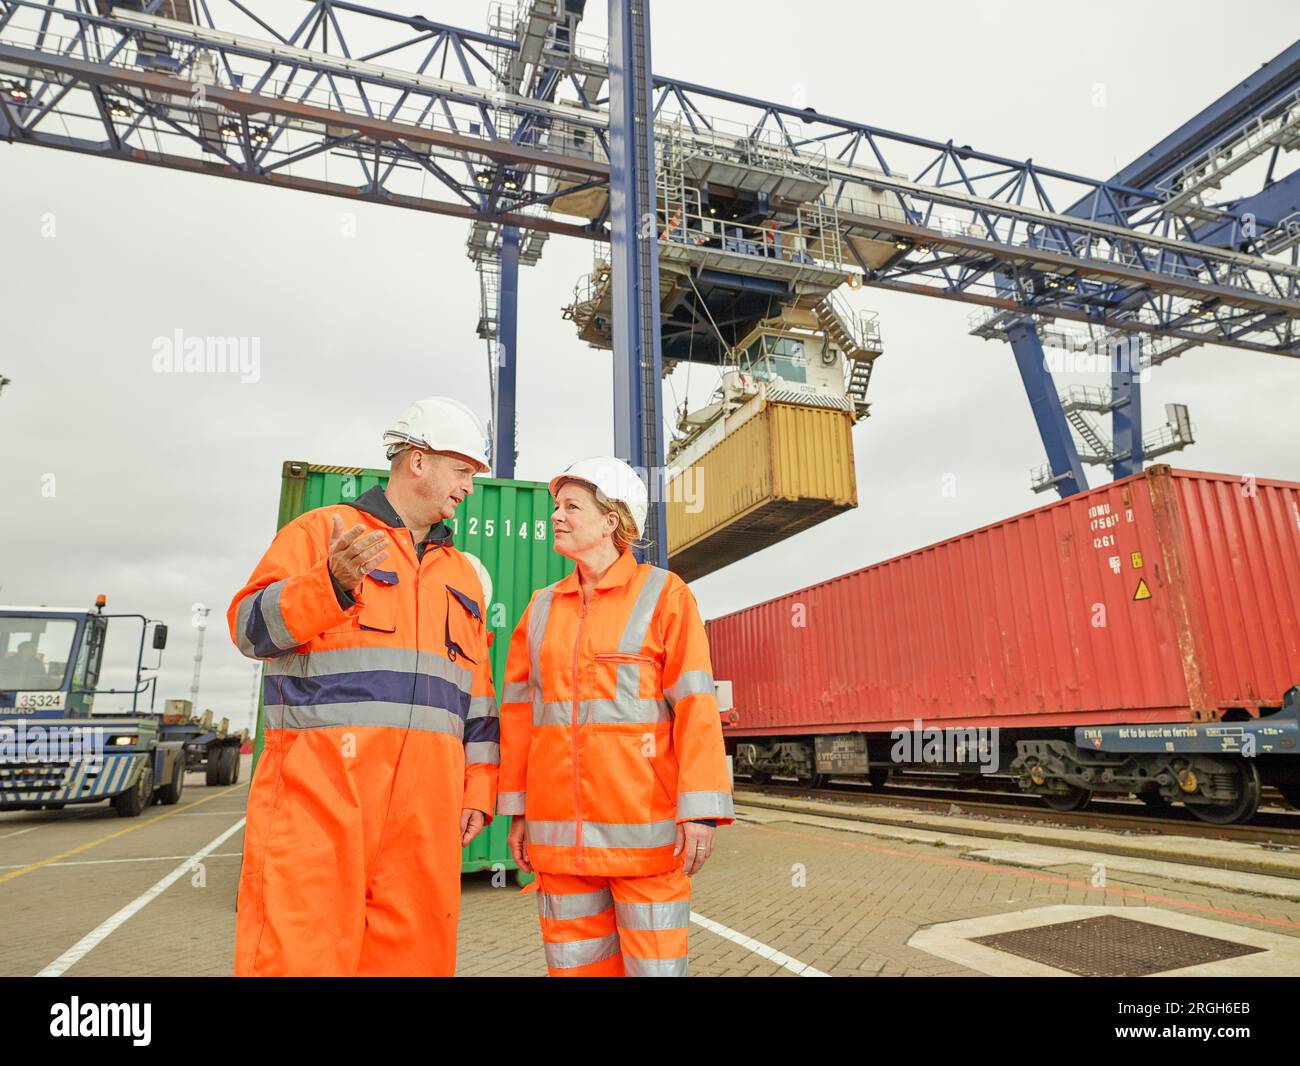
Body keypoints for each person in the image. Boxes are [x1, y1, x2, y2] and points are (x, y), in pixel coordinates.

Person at [227, 396, 498, 977]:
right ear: (418, 461)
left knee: (415, 963)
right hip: (319, 806)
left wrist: (478, 789)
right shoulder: (323, 532)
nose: (469, 488)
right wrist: (327, 584)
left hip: (425, 819)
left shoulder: (465, 577)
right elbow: (250, 629)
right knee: (300, 958)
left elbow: (477, 698)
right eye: (464, 471)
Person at [499, 456, 734, 977]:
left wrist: (700, 810)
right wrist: (518, 809)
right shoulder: (540, 609)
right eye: (555, 507)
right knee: (573, 969)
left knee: (654, 971)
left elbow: (695, 705)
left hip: (646, 841)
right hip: (560, 847)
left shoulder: (665, 594)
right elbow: (519, 716)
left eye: (571, 507)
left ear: (612, 521)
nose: (556, 516)